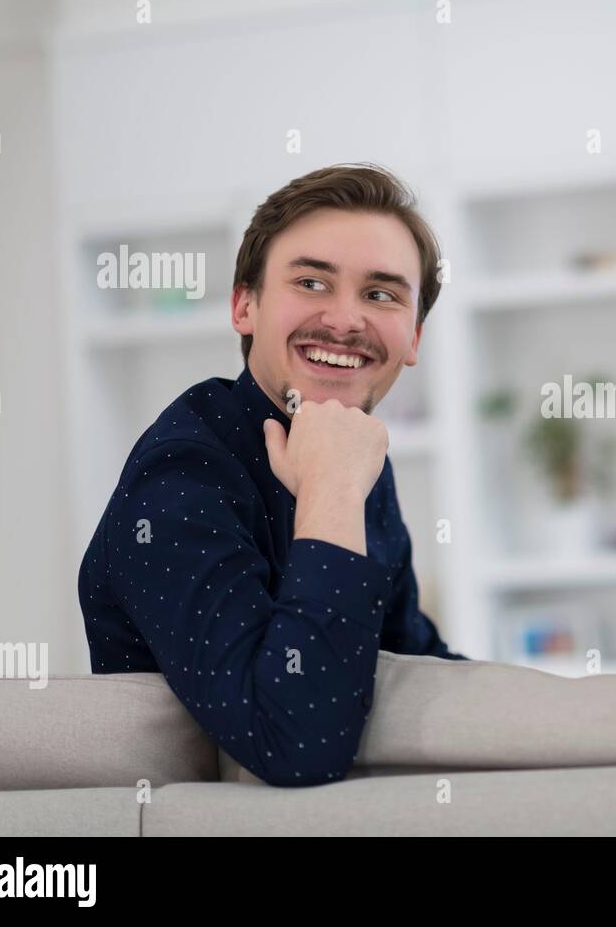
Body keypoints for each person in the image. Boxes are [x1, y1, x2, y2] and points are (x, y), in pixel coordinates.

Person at [78, 164, 464, 788]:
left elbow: (412, 661)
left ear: (414, 335)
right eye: (312, 282)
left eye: (381, 294)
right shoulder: (181, 474)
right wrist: (334, 492)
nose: (345, 321)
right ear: (244, 305)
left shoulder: (351, 453)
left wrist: (594, 704)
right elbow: (296, 743)